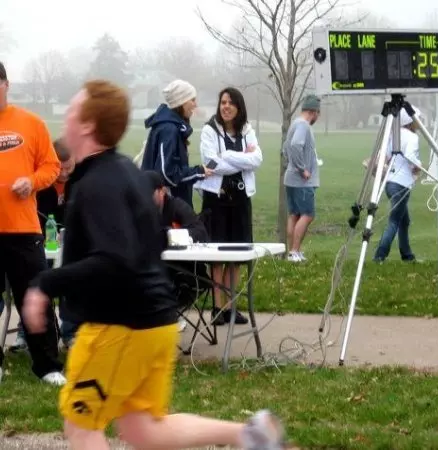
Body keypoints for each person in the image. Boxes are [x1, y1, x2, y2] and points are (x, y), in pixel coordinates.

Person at [22, 79, 285, 450]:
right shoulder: (128, 174)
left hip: (118, 328)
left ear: (86, 124)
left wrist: (45, 286)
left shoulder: (97, 183)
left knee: (82, 425)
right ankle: (249, 435)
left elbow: (114, 260)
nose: (65, 115)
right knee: (144, 429)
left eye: (72, 109)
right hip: (158, 323)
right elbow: (154, 240)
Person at [0, 61, 65, 385]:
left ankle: (48, 365)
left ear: (6, 85)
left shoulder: (32, 124)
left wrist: (31, 181)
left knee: (35, 296)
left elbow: (52, 166)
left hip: (24, 229)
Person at [195, 87, 262, 326]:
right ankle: (217, 307)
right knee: (217, 256)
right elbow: (211, 163)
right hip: (217, 199)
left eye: (231, 102)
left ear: (239, 107)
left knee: (236, 256)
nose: (226, 106)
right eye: (223, 102)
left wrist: (228, 156)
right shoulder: (209, 130)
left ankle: (231, 307)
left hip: (241, 200)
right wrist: (242, 158)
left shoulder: (247, 130)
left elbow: (257, 159)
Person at [10, 138, 78, 352]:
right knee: (33, 282)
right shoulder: (40, 184)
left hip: (71, 246)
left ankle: (70, 332)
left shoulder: (81, 182)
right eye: (61, 168)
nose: (65, 173)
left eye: (69, 167)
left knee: (71, 279)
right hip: (39, 244)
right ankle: (26, 332)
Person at [146, 170, 209, 332]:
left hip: (184, 271)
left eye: (149, 193)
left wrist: (171, 235)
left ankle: (169, 314)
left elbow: (200, 232)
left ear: (162, 191)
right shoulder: (139, 210)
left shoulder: (177, 207)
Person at [141, 79, 213, 208]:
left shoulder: (170, 126)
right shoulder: (169, 129)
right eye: (192, 100)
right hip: (167, 209)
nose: (195, 105)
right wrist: (198, 172)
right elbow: (166, 174)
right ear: (182, 102)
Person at [373, 106, 422, 263]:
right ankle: (380, 255)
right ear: (410, 121)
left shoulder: (393, 135)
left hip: (390, 183)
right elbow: (410, 158)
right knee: (394, 220)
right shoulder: (412, 138)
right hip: (402, 185)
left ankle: (407, 255)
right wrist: (418, 165)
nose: (418, 123)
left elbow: (385, 157)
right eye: (416, 119)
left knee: (404, 220)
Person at [283, 94, 321, 263]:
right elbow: (295, 146)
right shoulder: (303, 126)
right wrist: (302, 168)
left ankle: (293, 252)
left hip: (291, 179)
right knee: (307, 214)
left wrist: (292, 164)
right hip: (301, 180)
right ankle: (294, 251)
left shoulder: (294, 125)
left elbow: (286, 148)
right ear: (314, 112)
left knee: (294, 215)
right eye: (318, 114)